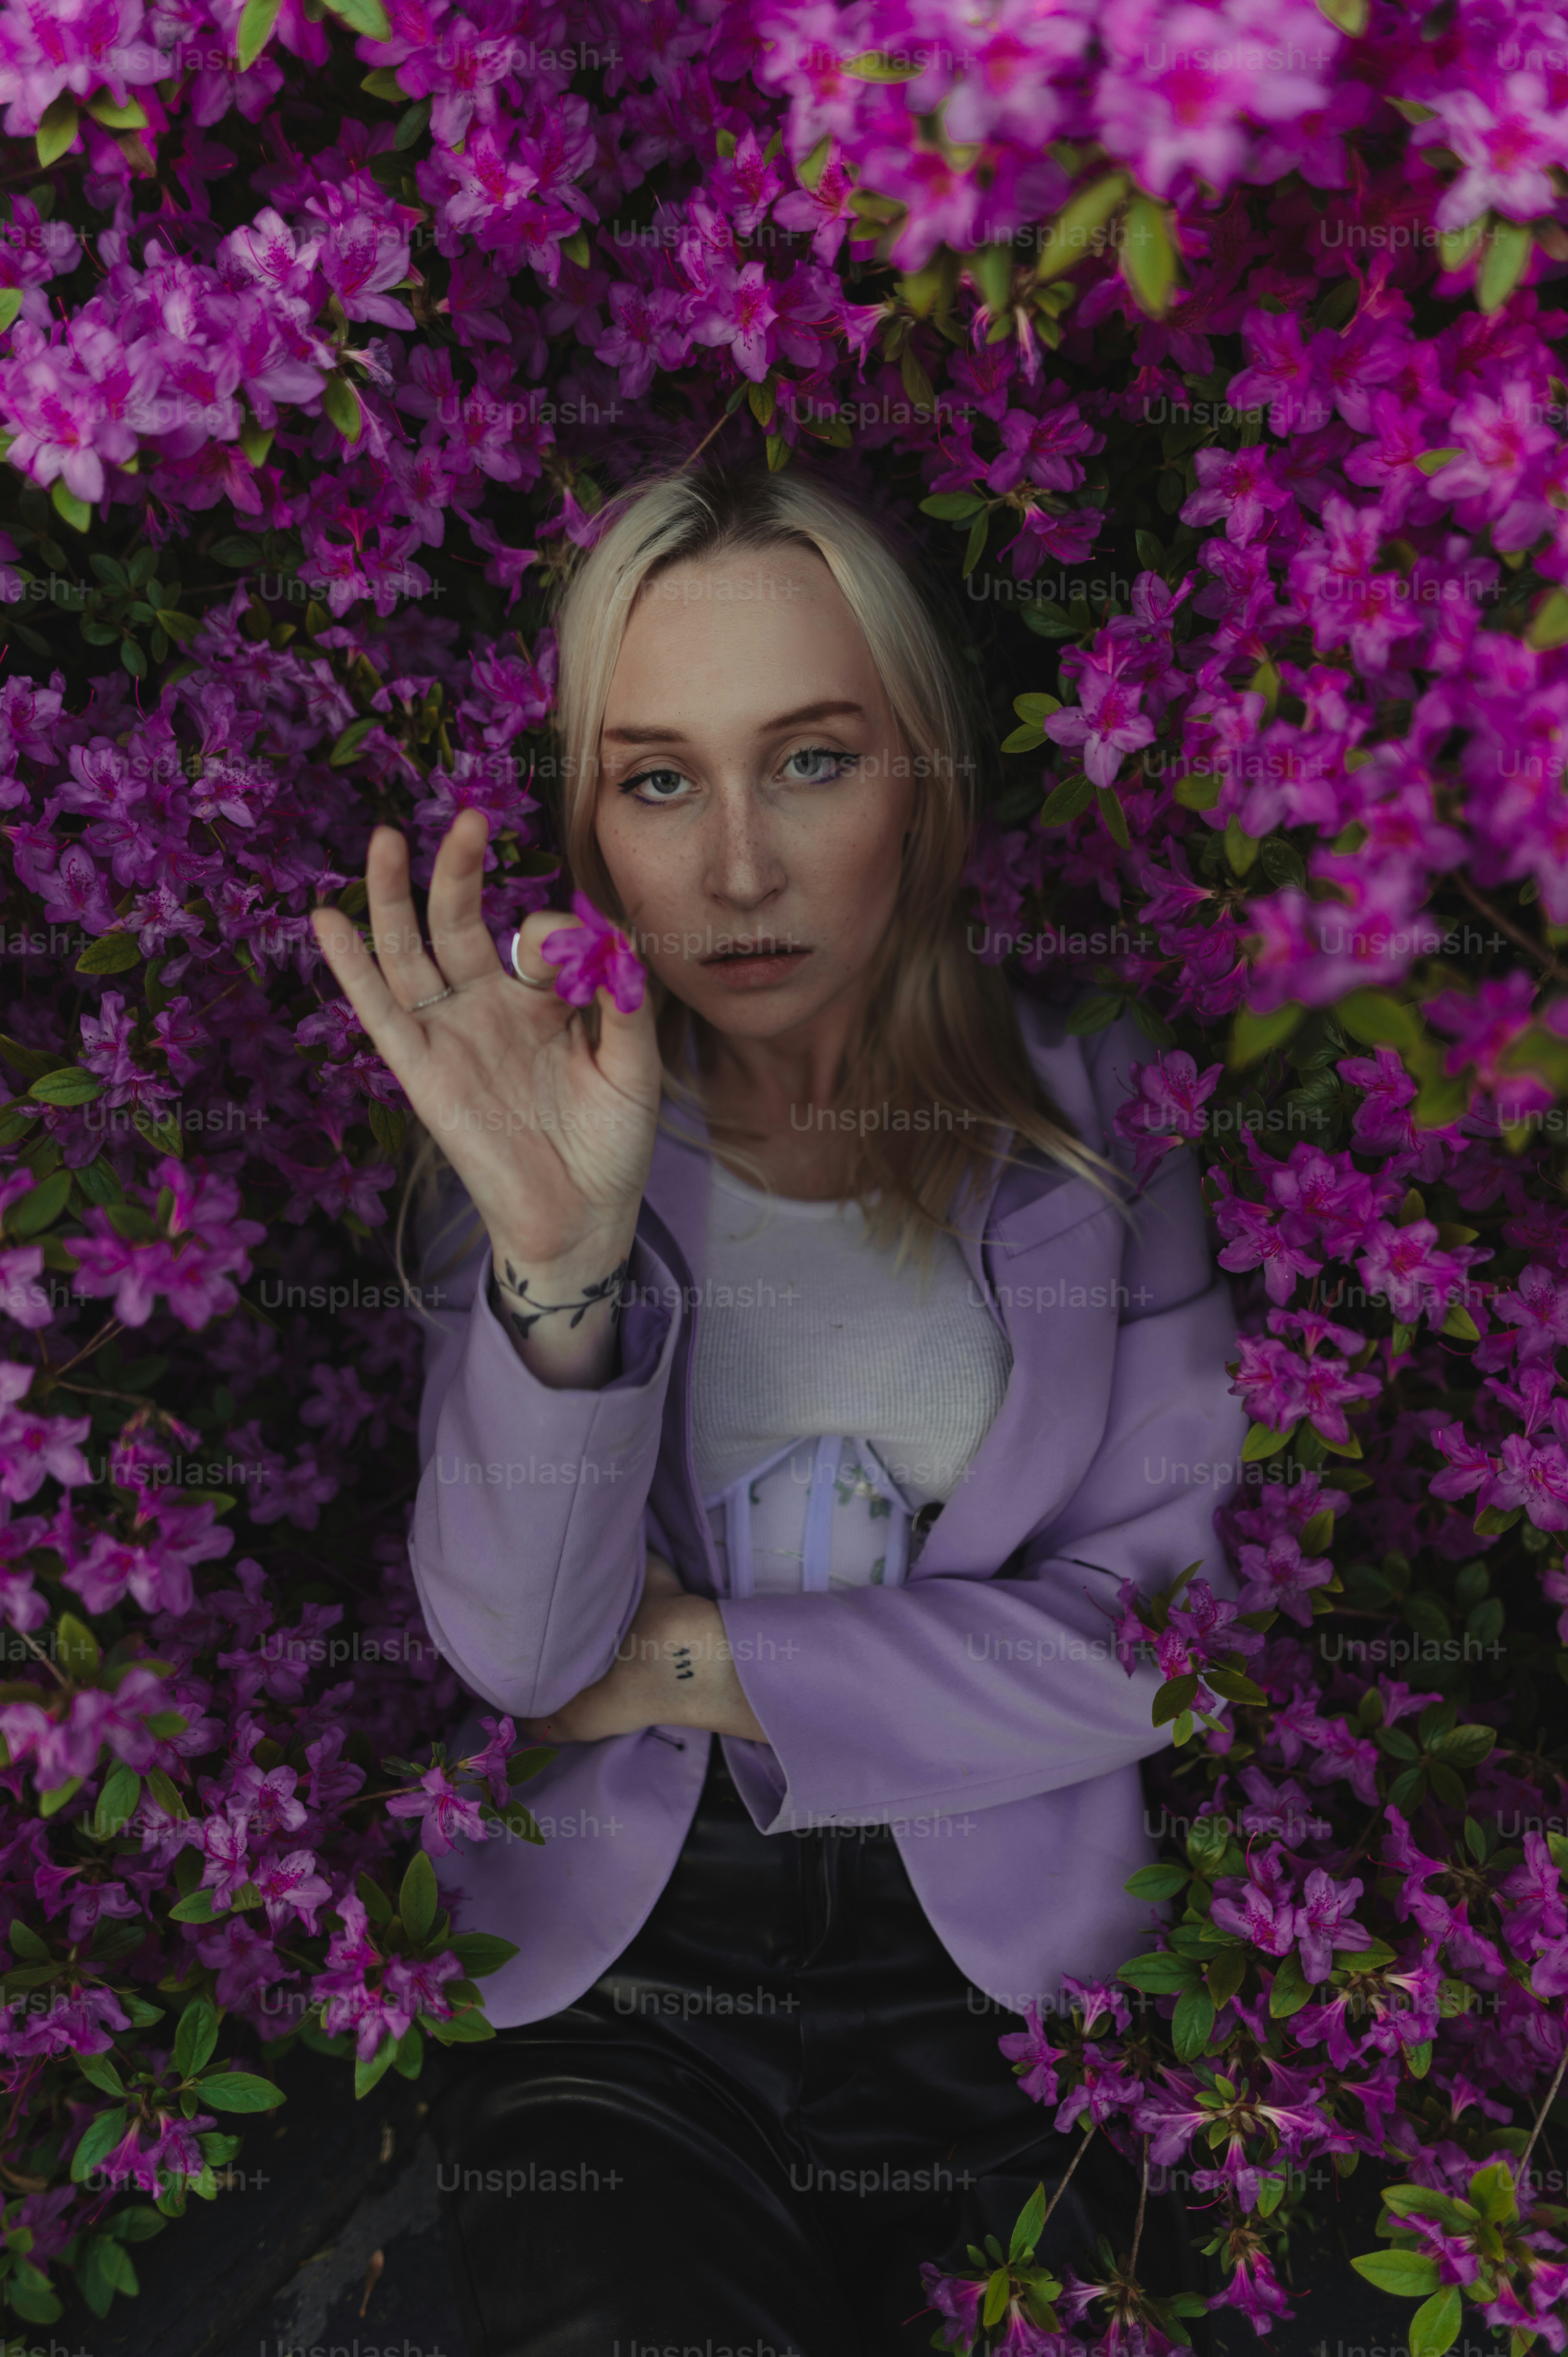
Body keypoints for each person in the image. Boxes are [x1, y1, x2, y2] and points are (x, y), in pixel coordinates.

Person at [309, 461, 1247, 2357]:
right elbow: (517, 1656)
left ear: (926, 776)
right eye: (659, 780)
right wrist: (558, 1258)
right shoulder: (536, 1143)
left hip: (1011, 2015)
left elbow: (1160, 1652)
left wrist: (689, 1661)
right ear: (595, 816)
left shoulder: (1104, 1114)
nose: (733, 866)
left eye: (810, 761)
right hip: (628, 2020)